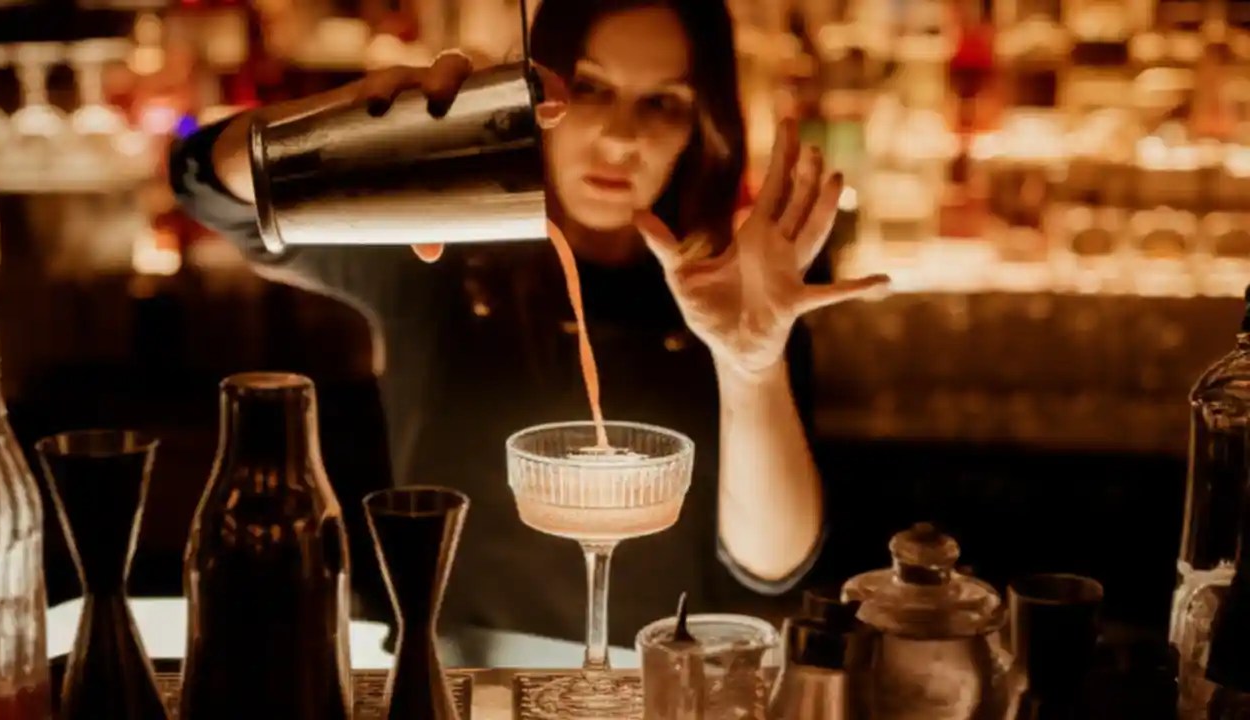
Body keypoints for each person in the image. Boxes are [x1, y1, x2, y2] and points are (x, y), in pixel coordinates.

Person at [171, 0, 889, 666]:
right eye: (592, 87)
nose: (618, 136)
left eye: (662, 103)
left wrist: (750, 362)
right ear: (537, 91)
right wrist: (356, 118)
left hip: (657, 686)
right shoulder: (442, 248)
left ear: (702, 124)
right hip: (452, 680)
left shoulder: (741, 287)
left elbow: (772, 564)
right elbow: (208, 185)